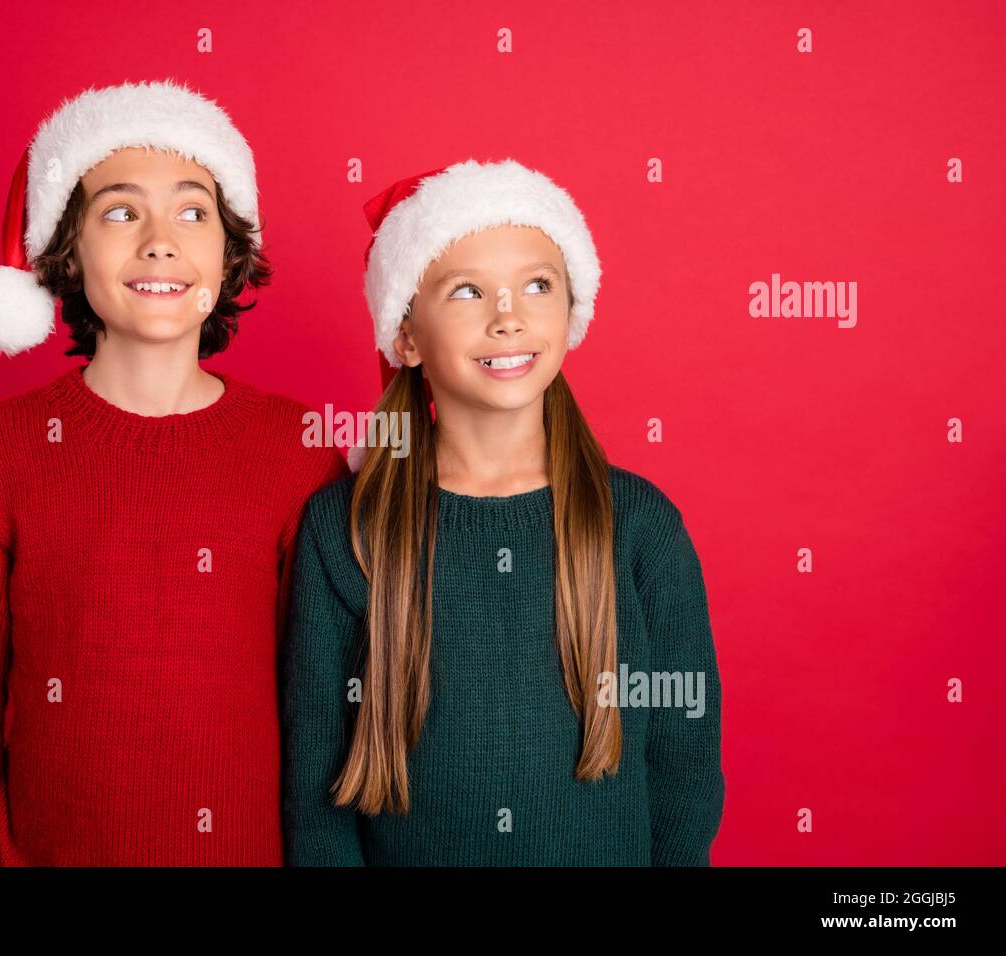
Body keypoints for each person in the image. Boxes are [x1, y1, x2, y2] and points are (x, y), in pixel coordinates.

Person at [0, 79, 347, 865]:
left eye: (192, 211)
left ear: (229, 247)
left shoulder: (301, 451)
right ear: (67, 251)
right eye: (120, 210)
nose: (160, 240)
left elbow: (324, 711)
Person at [283, 159, 725, 865]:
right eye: (467, 291)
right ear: (407, 339)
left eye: (537, 284)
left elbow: (684, 770)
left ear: (570, 311)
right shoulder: (346, 532)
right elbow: (317, 797)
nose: (508, 316)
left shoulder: (641, 526)